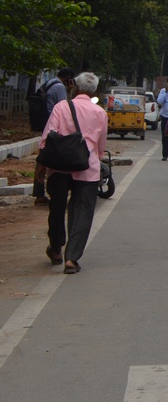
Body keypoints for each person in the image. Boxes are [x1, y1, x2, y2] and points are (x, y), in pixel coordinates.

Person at [41, 71, 109, 274]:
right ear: (93, 91)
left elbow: (47, 137)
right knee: (82, 212)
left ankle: (56, 248)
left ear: (75, 87)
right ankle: (72, 258)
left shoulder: (61, 107)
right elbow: (100, 145)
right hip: (87, 168)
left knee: (56, 208)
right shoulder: (100, 113)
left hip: (59, 167)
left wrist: (43, 163)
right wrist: (93, 157)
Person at [31, 68, 73, 206]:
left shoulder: (49, 82)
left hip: (45, 125)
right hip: (54, 128)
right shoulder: (60, 87)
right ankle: (56, 192)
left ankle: (38, 193)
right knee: (55, 161)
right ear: (68, 78)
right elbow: (64, 108)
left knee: (42, 160)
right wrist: (69, 90)